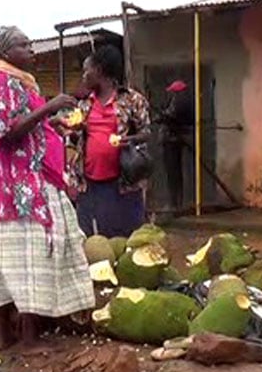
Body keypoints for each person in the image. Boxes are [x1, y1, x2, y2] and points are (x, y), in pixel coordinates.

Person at [0, 25, 95, 349]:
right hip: (20, 189)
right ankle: (26, 338)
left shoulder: (16, 82)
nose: (31, 49)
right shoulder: (0, 82)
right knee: (31, 258)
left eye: (30, 44)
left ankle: (13, 335)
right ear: (3, 52)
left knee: (16, 259)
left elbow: (23, 124)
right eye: (23, 45)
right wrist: (50, 107)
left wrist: (48, 123)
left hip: (26, 185)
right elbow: (6, 132)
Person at [67, 45, 152, 238]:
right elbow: (73, 141)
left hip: (122, 185)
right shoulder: (84, 104)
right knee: (94, 239)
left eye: (86, 71)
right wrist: (74, 131)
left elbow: (147, 133)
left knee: (126, 237)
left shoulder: (132, 100)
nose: (83, 77)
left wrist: (128, 139)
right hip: (89, 185)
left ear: (99, 71)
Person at [160, 79, 193, 214]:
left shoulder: (180, 104)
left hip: (173, 140)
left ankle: (175, 202)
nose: (172, 94)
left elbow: (170, 117)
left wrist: (162, 117)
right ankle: (176, 201)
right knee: (174, 173)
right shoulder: (177, 102)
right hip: (172, 139)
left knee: (173, 172)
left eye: (173, 92)